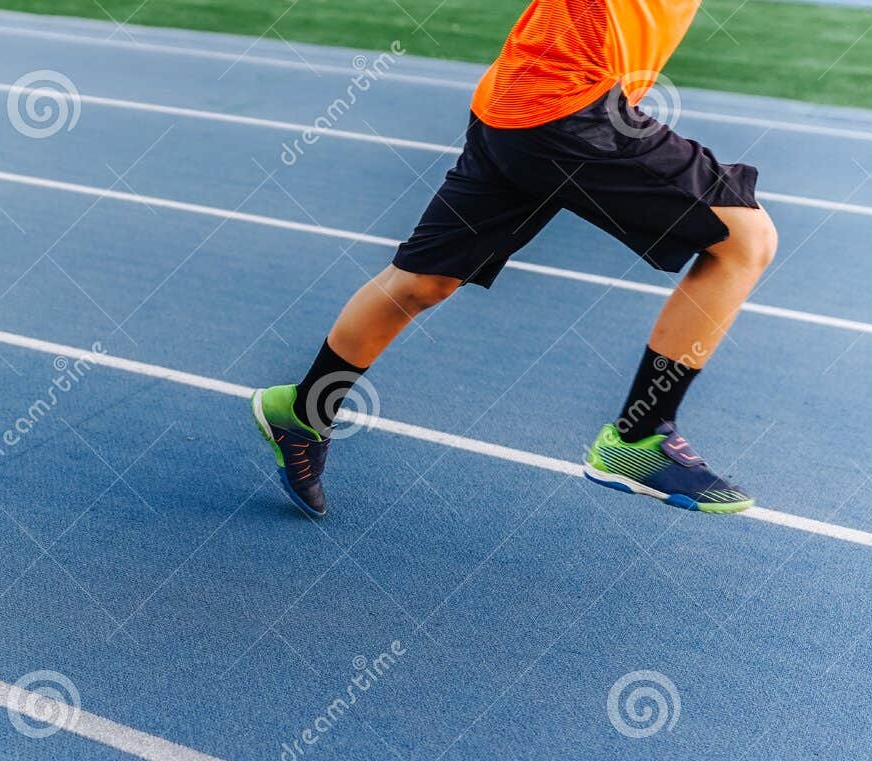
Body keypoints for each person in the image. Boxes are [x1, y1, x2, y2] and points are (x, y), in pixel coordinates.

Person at [252, 0, 777, 517]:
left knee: (422, 282)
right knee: (745, 240)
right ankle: (639, 439)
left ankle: (302, 412)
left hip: (517, 100)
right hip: (569, 107)